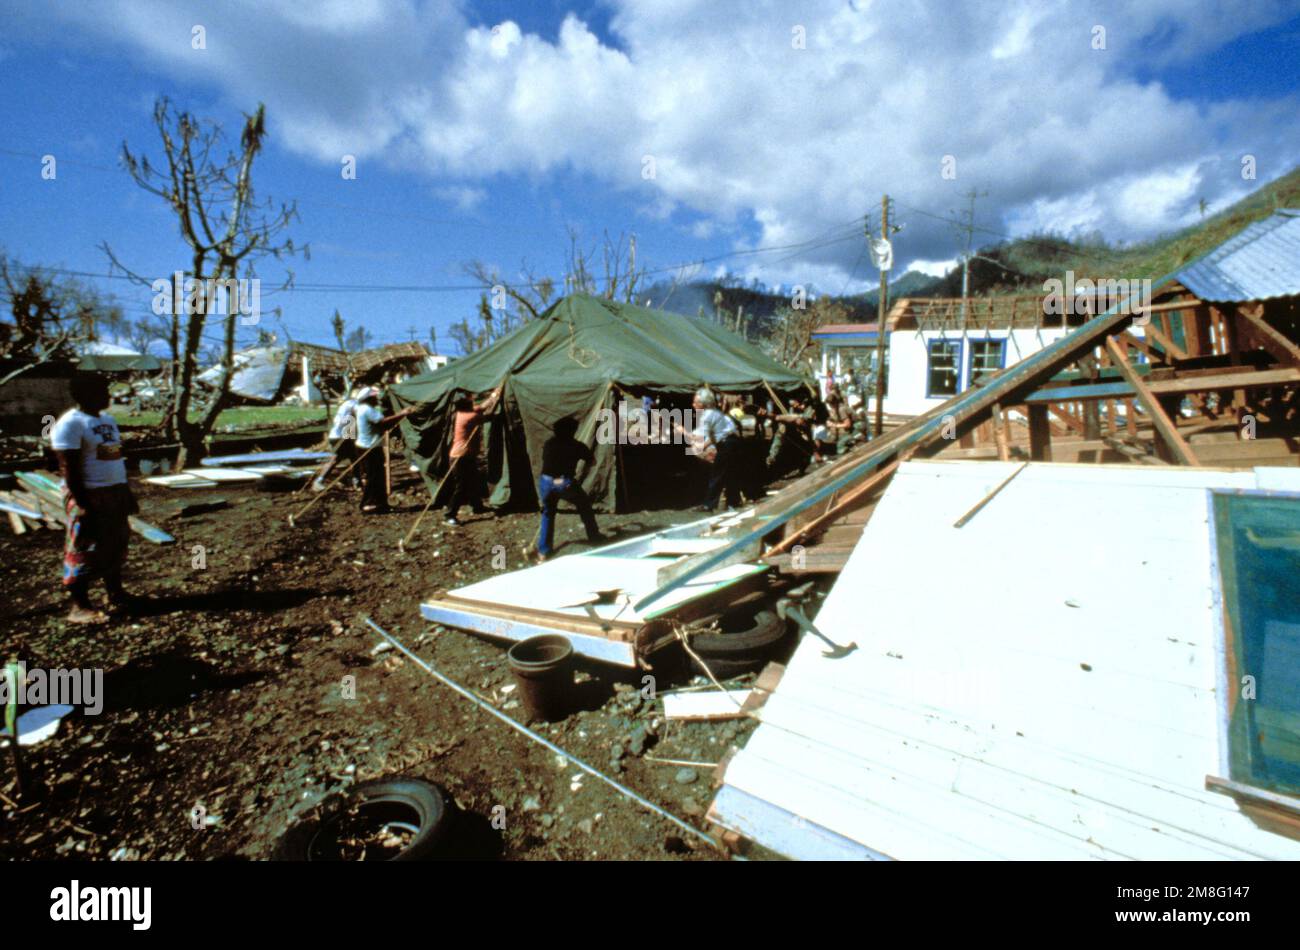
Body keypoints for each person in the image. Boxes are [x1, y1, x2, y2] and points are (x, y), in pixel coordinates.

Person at [50, 374, 138, 624]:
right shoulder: (70, 423)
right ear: (84, 395)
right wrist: (82, 504)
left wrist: (126, 492)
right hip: (89, 493)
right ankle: (79, 606)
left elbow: (112, 458)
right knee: (83, 549)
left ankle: (116, 594)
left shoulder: (107, 421)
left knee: (114, 544)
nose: (108, 396)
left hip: (114, 492)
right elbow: (69, 468)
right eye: (102, 391)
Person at [530, 416, 604, 563]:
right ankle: (594, 537)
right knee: (584, 505)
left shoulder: (549, 443)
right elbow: (593, 462)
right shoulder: (577, 446)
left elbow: (548, 462)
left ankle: (543, 552)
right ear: (573, 431)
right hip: (562, 482)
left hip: (545, 481)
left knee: (548, 514)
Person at [443, 387, 502, 526]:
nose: (473, 400)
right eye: (470, 400)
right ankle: (449, 514)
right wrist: (496, 398)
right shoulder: (469, 417)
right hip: (460, 456)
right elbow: (488, 413)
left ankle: (477, 506)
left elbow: (480, 407)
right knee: (461, 486)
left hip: (465, 454)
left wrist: (494, 394)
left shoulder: (461, 413)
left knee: (473, 480)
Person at [353, 388, 416, 514]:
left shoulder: (360, 408)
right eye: (374, 397)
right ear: (368, 398)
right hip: (370, 447)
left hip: (365, 445)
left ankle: (379, 503)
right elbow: (384, 423)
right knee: (374, 476)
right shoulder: (368, 409)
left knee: (375, 475)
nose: (377, 399)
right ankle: (368, 504)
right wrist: (403, 413)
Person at [690, 387, 742, 512]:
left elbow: (712, 437)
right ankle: (733, 502)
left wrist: (702, 446)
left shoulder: (706, 416)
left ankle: (709, 504)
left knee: (717, 475)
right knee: (730, 473)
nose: (693, 405)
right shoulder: (716, 412)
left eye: (695, 403)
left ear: (702, 404)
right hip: (733, 442)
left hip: (727, 444)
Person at [312, 388, 361, 491]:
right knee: (336, 459)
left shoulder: (347, 404)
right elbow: (360, 415)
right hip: (340, 436)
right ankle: (319, 481)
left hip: (342, 435)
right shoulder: (352, 404)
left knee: (354, 457)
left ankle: (357, 481)